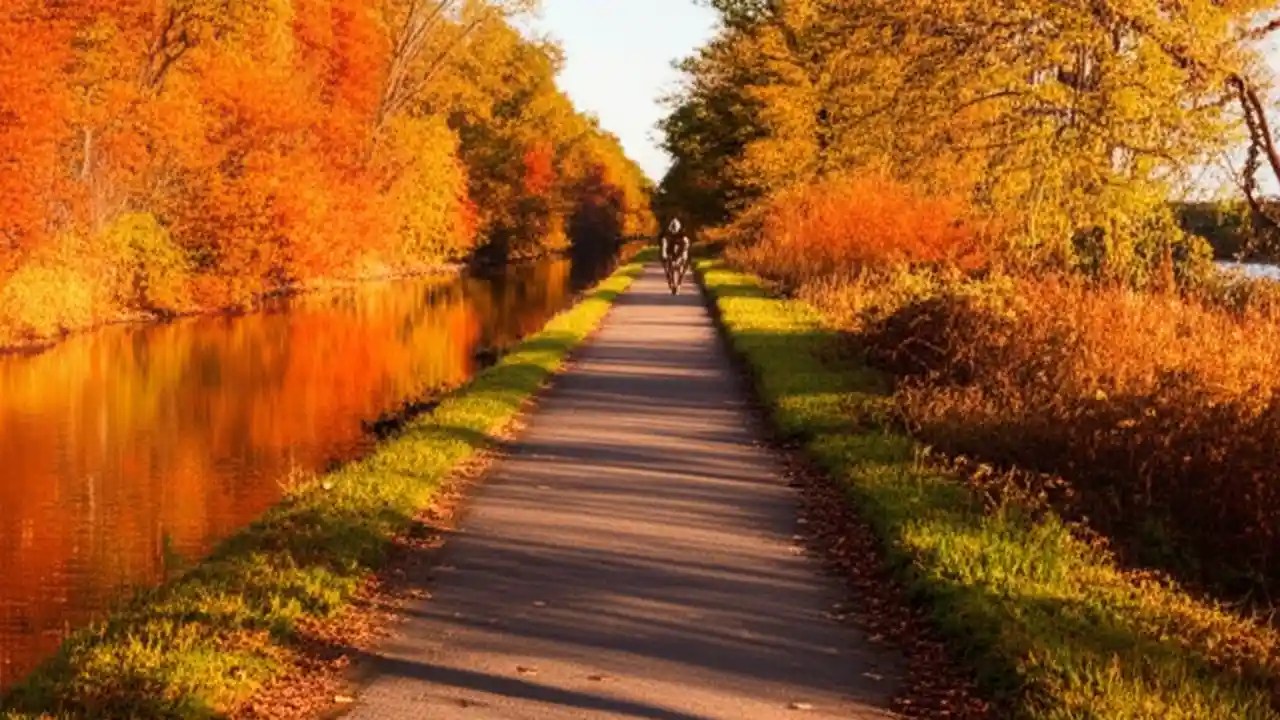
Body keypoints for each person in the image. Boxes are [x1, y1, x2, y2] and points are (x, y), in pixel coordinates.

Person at [659, 218, 691, 295]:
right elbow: (664, 243)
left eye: (675, 228)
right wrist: (664, 252)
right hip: (671, 252)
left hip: (681, 252)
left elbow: (686, 245)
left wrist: (681, 256)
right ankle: (671, 281)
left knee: (682, 269)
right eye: (672, 228)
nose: (674, 231)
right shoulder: (667, 234)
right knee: (668, 267)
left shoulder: (683, 235)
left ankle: (679, 283)